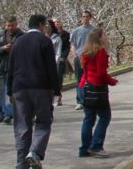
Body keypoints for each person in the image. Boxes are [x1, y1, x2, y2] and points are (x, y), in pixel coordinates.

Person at [7, 14, 61, 169]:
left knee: (22, 126)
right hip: (40, 87)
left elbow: (10, 68)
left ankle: (21, 164)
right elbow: (51, 68)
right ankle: (35, 152)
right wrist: (56, 89)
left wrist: (10, 90)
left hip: (19, 88)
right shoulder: (45, 41)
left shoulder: (17, 42)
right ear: (40, 25)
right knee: (43, 122)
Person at [77, 27, 118, 158]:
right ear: (99, 38)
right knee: (105, 116)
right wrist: (111, 81)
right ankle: (96, 145)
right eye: (104, 35)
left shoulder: (85, 52)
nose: (105, 37)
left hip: (85, 86)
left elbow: (85, 72)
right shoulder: (99, 52)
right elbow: (100, 73)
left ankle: (84, 149)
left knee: (88, 119)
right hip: (97, 89)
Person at [0, 17, 23, 125]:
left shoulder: (22, 36)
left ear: (17, 24)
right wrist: (3, 48)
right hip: (0, 68)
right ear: (5, 25)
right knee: (0, 93)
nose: (10, 28)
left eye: (13, 25)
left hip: (15, 68)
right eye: (8, 25)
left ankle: (10, 113)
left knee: (10, 93)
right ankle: (1, 113)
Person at [69, 10, 95, 110]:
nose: (85, 18)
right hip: (79, 57)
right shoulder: (76, 31)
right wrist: (75, 54)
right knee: (79, 79)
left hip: (91, 57)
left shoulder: (94, 30)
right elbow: (73, 44)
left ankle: (90, 99)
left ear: (90, 17)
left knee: (91, 79)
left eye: (87, 16)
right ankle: (80, 101)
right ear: (81, 18)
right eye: (83, 16)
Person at [48, 20, 70, 108]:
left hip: (60, 60)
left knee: (58, 78)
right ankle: (52, 96)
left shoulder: (65, 34)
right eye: (54, 22)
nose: (56, 23)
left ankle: (58, 95)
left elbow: (67, 48)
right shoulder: (46, 35)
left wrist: (63, 57)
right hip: (49, 61)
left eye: (58, 22)